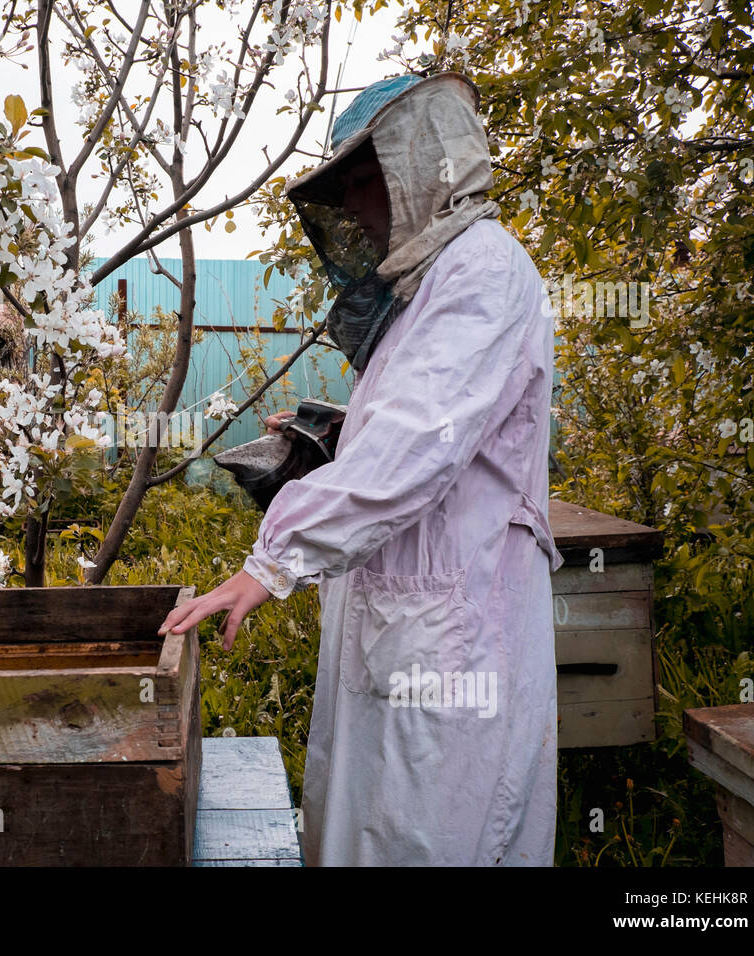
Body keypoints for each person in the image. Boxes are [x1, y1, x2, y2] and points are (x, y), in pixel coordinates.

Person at [158, 72, 564, 866]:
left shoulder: (481, 270)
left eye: (359, 179)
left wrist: (271, 562)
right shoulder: (430, 286)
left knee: (434, 839)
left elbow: (412, 453)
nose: (351, 208)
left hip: (451, 641)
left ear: (416, 164)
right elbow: (426, 432)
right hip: (409, 623)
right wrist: (336, 433)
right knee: (374, 826)